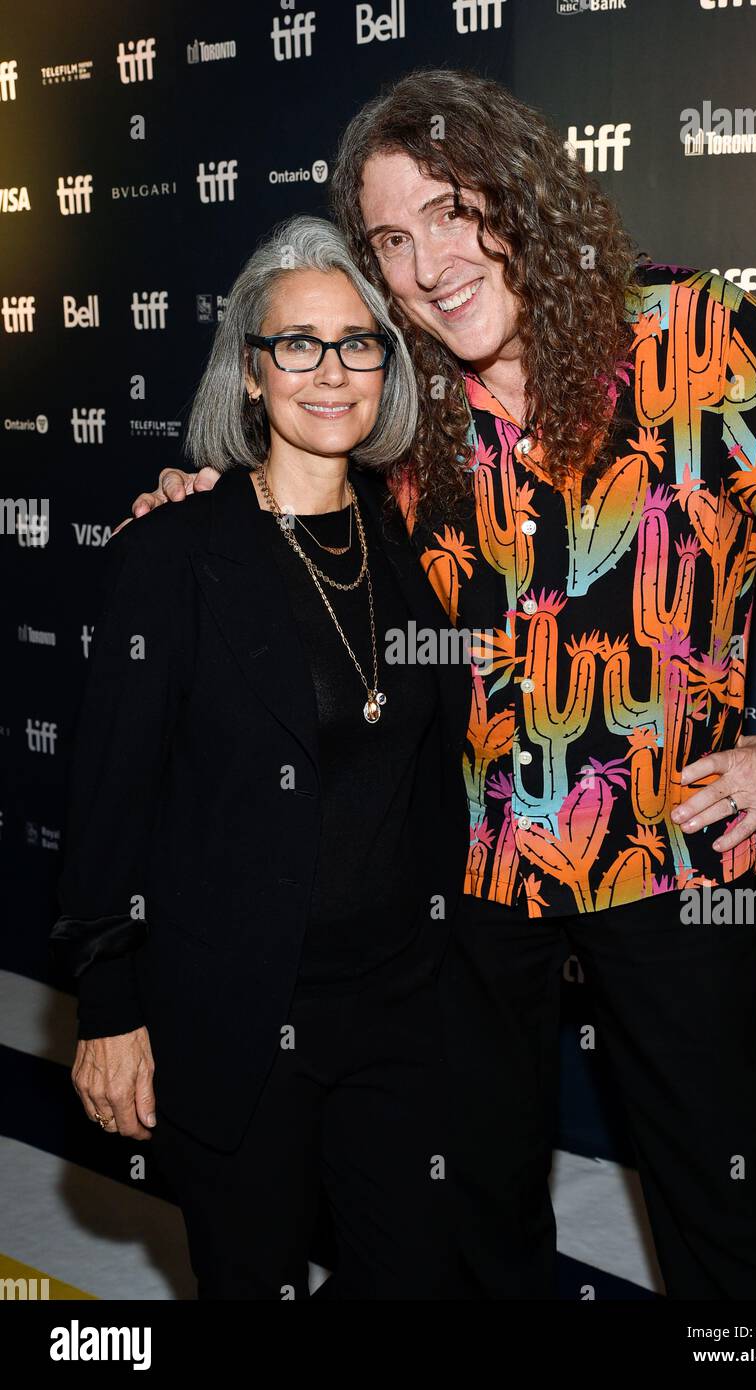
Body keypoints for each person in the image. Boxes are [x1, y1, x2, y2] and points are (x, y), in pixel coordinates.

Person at [125, 69, 756, 1299]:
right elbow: (294, 507)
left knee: (721, 1205)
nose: (425, 263)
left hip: (668, 856)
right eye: (390, 240)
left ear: (521, 195)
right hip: (467, 878)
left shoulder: (691, 334)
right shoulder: (404, 412)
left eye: (451, 207)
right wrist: (195, 505)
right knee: (475, 1209)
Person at [49, 214, 471, 1300]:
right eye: (297, 345)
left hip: (397, 1010)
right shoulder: (173, 554)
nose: (329, 372)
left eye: (356, 342)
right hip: (236, 1014)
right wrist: (107, 1004)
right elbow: (110, 797)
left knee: (412, 1273)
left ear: (386, 364)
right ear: (249, 373)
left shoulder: (409, 543)